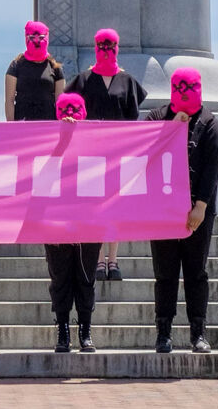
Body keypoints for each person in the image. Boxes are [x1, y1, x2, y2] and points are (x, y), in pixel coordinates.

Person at [148, 67, 218, 356]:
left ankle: (198, 333)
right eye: (179, 88)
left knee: (196, 273)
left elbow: (212, 170)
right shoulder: (157, 118)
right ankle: (163, 333)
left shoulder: (210, 124)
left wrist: (201, 206)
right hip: (163, 211)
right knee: (165, 274)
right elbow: (146, 152)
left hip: (198, 211)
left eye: (189, 87)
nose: (183, 94)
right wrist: (172, 129)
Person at [72, 26, 146, 281]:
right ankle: (97, 260)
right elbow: (70, 111)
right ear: (95, 48)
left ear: (117, 48)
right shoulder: (82, 80)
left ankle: (113, 261)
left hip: (118, 154)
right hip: (90, 155)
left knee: (115, 207)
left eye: (110, 46)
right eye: (101, 46)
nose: (106, 51)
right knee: (94, 206)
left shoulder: (127, 81)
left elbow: (132, 119)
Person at [43, 91, 98, 353]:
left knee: (86, 279)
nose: (70, 115)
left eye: (75, 110)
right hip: (55, 224)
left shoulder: (97, 142)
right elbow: (41, 183)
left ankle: (85, 330)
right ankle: (62, 330)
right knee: (60, 279)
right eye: (65, 110)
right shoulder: (44, 143)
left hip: (88, 224)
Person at [4, 20, 64, 121]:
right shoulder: (16, 65)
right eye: (32, 38)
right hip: (22, 122)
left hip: (48, 123)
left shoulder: (55, 67)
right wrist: (11, 125)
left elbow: (60, 101)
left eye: (41, 38)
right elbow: (9, 100)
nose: (37, 41)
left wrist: (59, 125)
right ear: (26, 38)